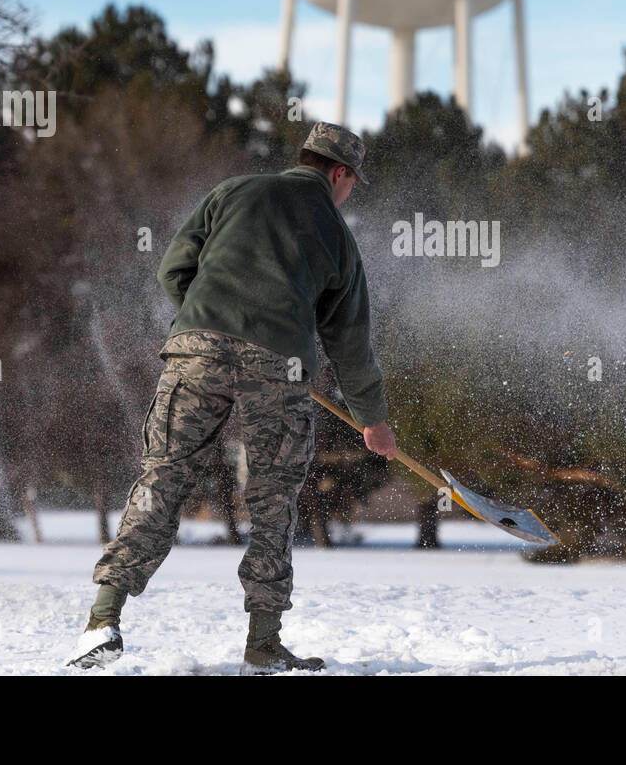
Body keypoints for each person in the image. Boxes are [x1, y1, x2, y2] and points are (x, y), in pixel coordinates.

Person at [66, 121, 396, 674]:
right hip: (278, 366)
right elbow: (350, 341)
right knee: (271, 502)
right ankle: (263, 644)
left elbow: (174, 269)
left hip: (194, 350)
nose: (349, 191)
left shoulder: (232, 191)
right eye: (352, 182)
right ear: (339, 173)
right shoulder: (338, 235)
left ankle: (101, 622)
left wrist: (201, 325)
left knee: (162, 477)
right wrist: (373, 420)